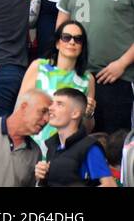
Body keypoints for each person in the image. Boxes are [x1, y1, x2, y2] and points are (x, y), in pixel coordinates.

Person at [56, 0, 134, 133]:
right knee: (72, 141)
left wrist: (121, 64)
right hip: (77, 76)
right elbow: (62, 24)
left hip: (116, 78)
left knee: (111, 143)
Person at [19, 20, 96, 150]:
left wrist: (89, 114)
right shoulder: (39, 66)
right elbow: (20, 108)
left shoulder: (87, 79)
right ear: (57, 43)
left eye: (78, 39)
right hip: (32, 143)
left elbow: (86, 128)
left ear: (82, 46)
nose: (72, 42)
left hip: (65, 150)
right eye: (66, 37)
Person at [36, 87, 116, 187]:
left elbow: (110, 185)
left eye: (59, 104)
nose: (51, 108)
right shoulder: (52, 145)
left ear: (75, 113)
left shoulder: (89, 147)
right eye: (52, 103)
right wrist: (42, 177)